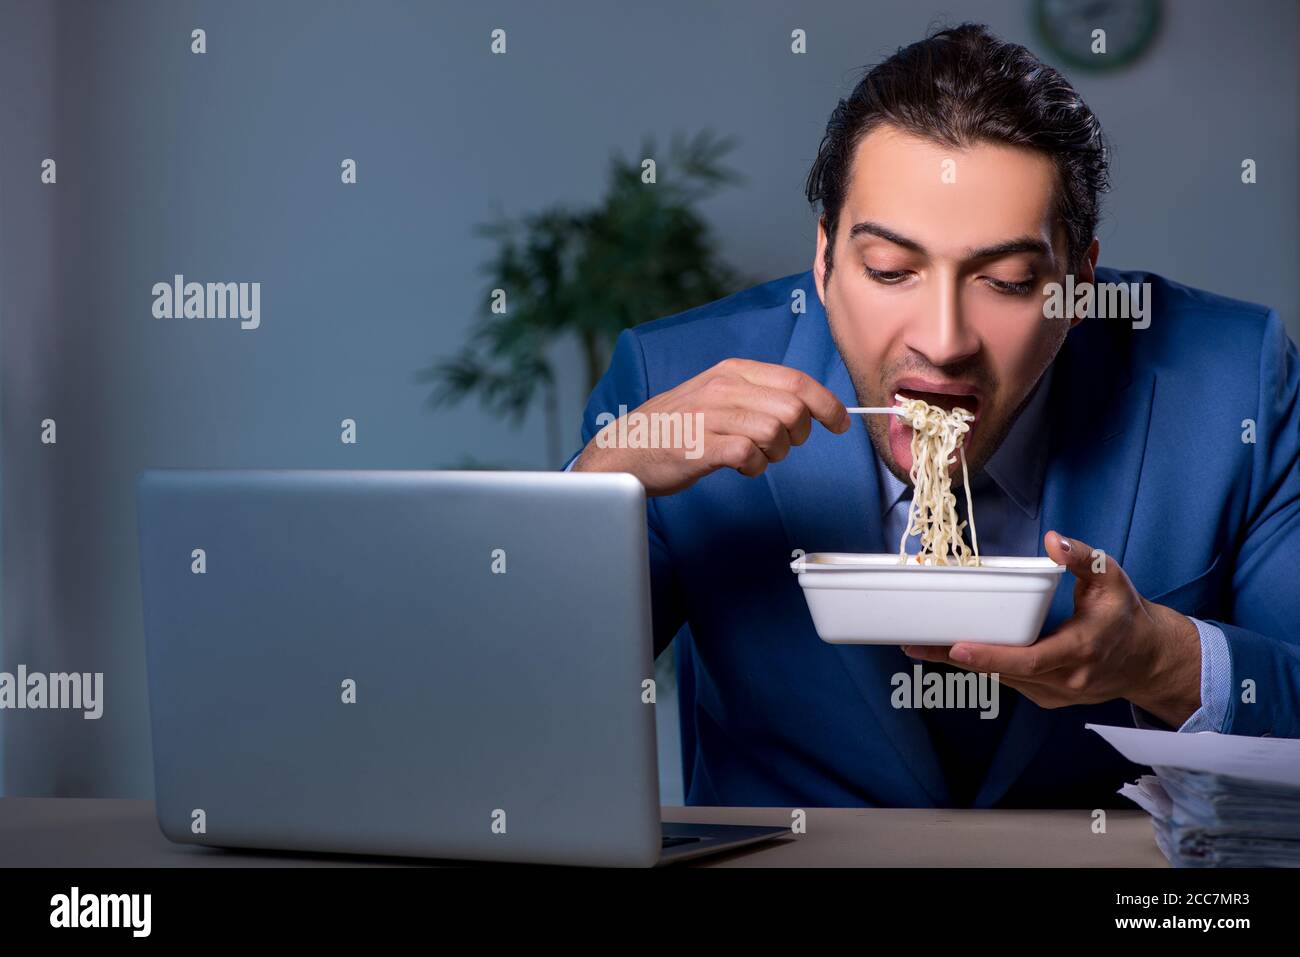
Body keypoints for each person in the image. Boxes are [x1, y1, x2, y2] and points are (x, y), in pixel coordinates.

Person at [567, 23, 1300, 807]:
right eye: (890, 270)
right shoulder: (669, 380)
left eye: (1011, 280)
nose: (944, 342)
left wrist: (1159, 661)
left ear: (1080, 281)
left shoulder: (1233, 384)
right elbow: (529, 693)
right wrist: (598, 483)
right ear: (824, 259)